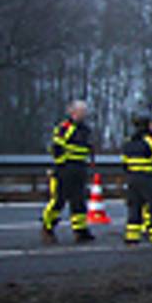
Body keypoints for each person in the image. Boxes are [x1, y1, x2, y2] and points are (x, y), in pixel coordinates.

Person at [42, 99, 95, 243]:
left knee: (79, 200)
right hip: (65, 169)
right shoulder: (65, 127)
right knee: (58, 200)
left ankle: (80, 231)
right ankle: (48, 228)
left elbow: (87, 148)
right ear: (71, 112)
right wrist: (62, 163)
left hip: (79, 168)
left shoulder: (85, 129)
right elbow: (56, 147)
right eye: (80, 111)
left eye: (84, 111)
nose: (83, 114)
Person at [121, 113, 152, 245]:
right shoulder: (150, 141)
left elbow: (124, 161)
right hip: (148, 178)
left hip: (132, 178)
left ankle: (131, 237)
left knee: (134, 207)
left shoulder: (128, 141)